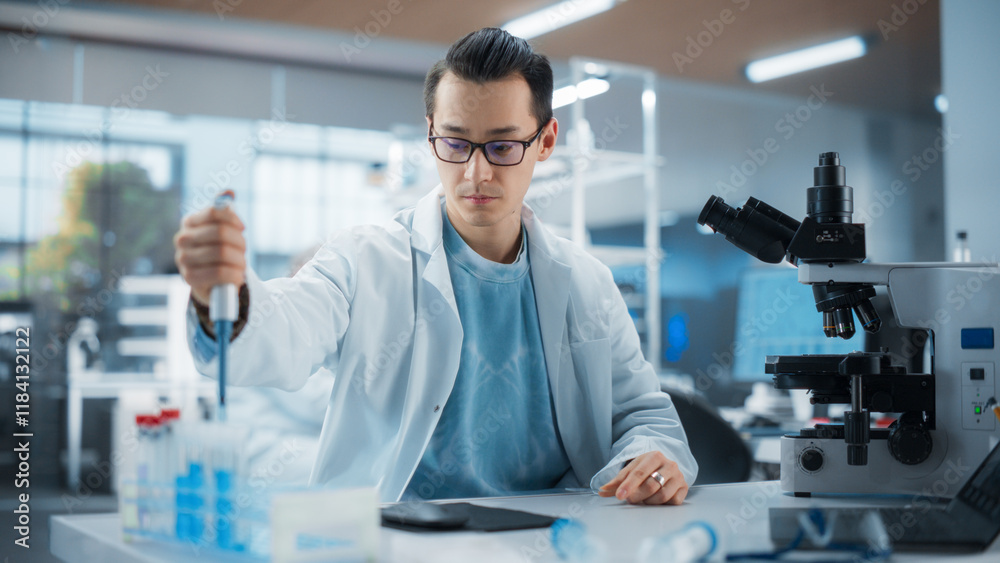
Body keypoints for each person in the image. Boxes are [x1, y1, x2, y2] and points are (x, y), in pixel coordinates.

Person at [173, 27, 697, 505]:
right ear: (430, 135)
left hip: (553, 538)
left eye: (502, 146)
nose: (476, 172)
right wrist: (227, 292)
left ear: (547, 141)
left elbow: (641, 413)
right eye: (454, 142)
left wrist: (646, 459)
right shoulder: (366, 260)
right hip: (403, 540)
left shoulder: (586, 281)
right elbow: (282, 335)